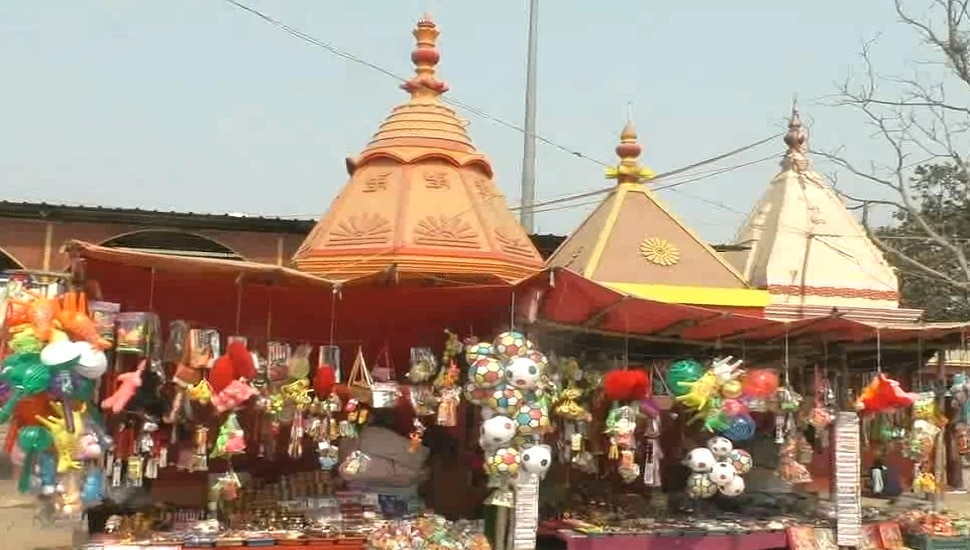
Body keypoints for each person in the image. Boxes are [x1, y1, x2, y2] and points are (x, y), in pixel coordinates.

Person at [338, 408, 429, 500]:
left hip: (359, 494)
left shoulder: (354, 439)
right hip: (400, 493)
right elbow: (419, 461)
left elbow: (344, 469)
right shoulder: (403, 443)